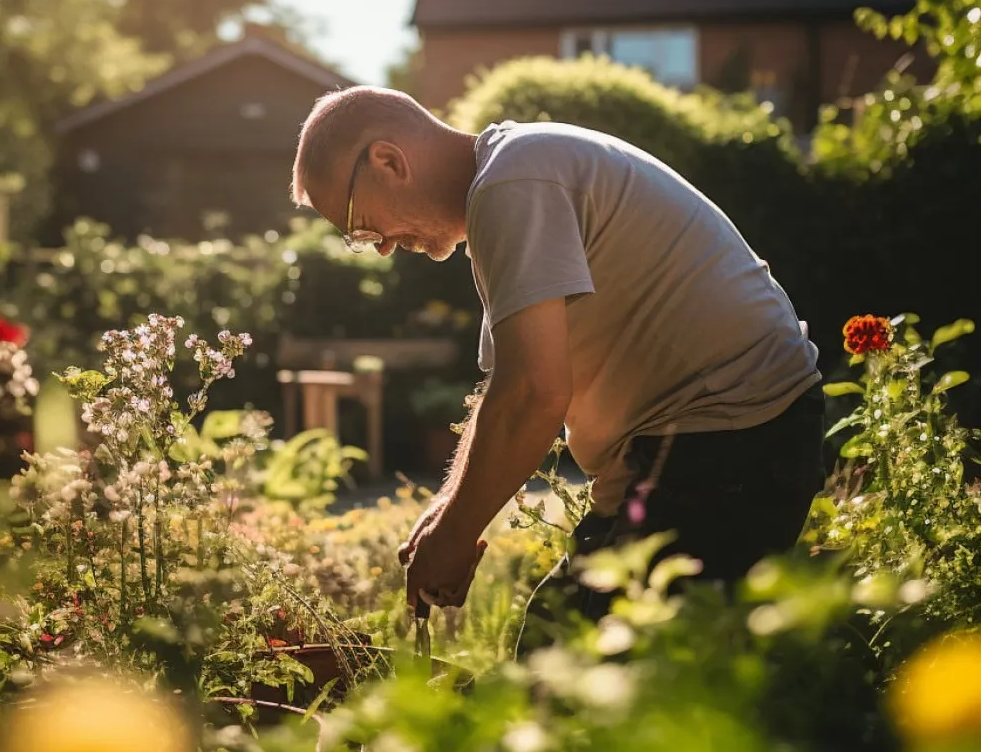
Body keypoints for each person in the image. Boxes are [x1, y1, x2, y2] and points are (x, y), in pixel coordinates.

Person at [289, 86, 825, 651]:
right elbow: (509, 386)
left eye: (358, 225)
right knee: (558, 651)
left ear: (388, 160)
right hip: (698, 443)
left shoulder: (515, 183)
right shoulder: (511, 180)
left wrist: (458, 534)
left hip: (733, 438)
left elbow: (535, 395)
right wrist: (449, 510)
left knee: (592, 677)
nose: (377, 249)